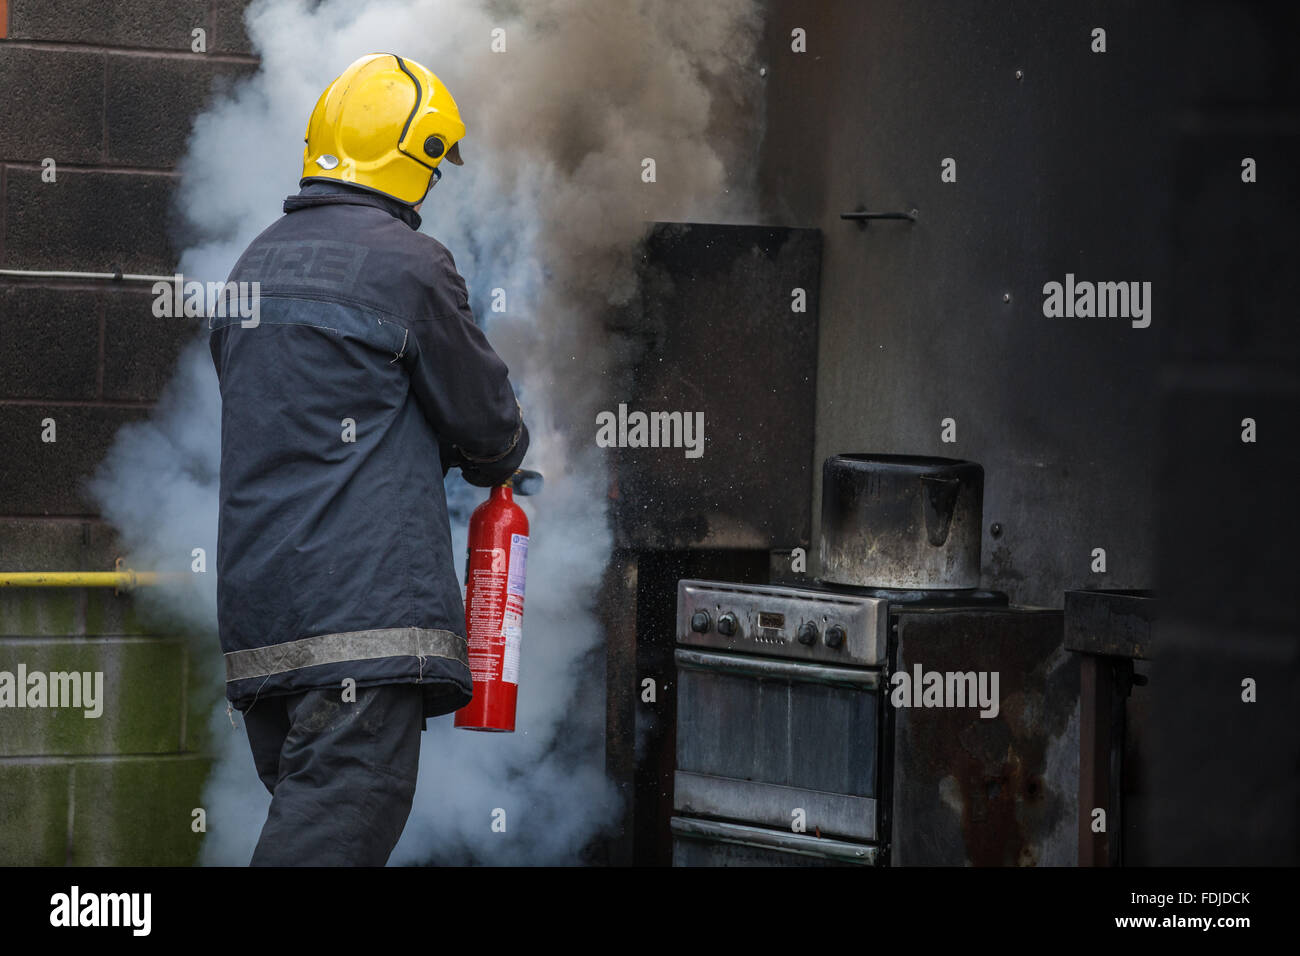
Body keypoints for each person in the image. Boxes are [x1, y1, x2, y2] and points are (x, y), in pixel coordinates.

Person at [208, 53, 528, 865]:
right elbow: (487, 421)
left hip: (262, 633)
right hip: (363, 622)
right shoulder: (408, 264)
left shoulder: (252, 264)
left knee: (310, 822)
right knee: (328, 845)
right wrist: (501, 456)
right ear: (412, 158)